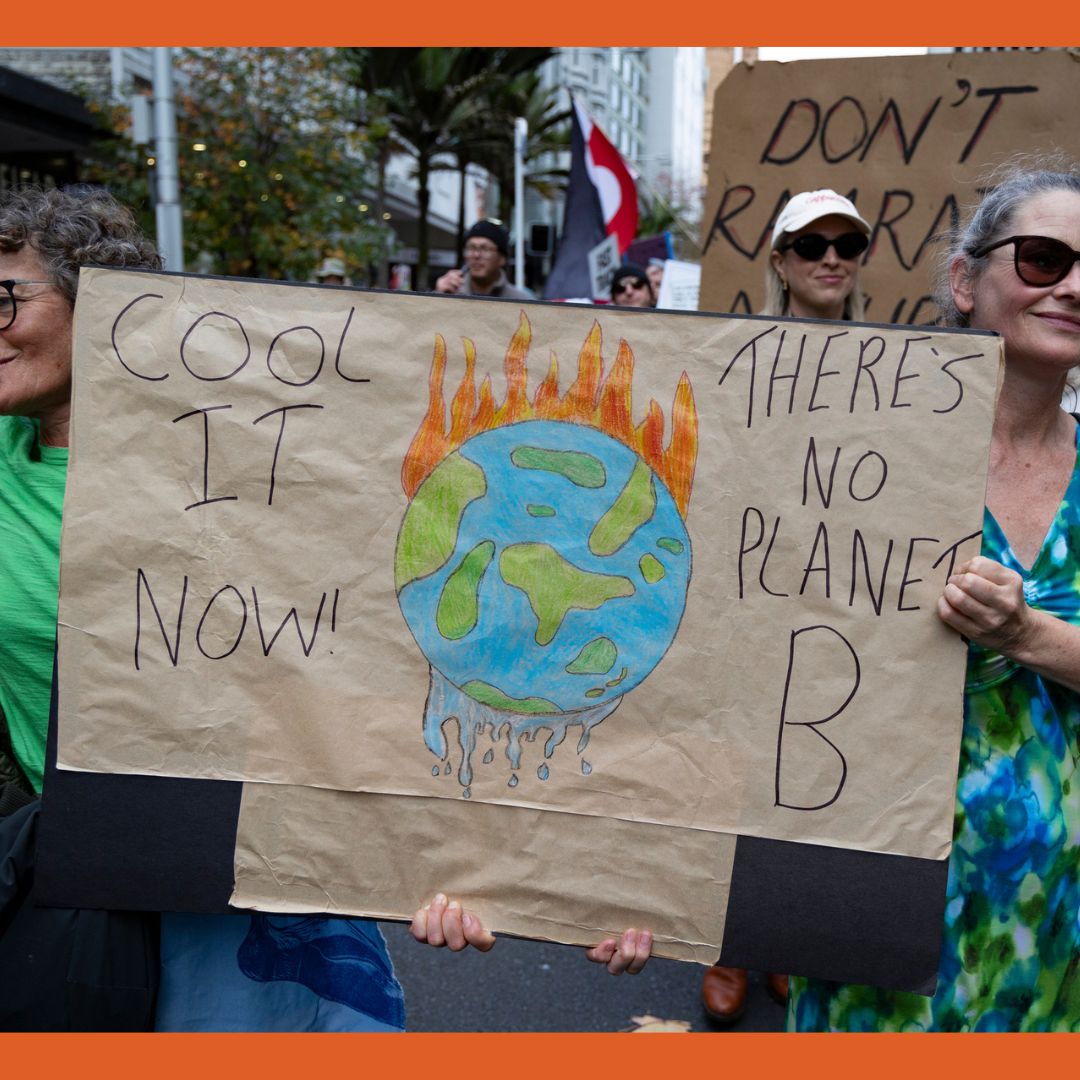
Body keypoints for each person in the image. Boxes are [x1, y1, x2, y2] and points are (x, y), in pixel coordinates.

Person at [0, 186, 645, 1030]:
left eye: (6, 299)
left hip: (264, 902)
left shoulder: (256, 465)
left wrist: (506, 866)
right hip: (76, 894)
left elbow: (394, 656)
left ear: (100, 304)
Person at [788, 163, 1080, 1031]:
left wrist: (1027, 633)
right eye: (1041, 258)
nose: (1072, 286)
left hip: (1056, 922)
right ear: (965, 279)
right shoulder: (856, 455)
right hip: (875, 898)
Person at [701, 187, 872, 1026]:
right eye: (812, 245)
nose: (831, 258)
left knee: (818, 776)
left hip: (850, 603)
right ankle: (730, 941)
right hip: (751, 597)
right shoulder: (738, 358)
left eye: (848, 244)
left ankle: (791, 941)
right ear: (780, 259)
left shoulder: (901, 369)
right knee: (740, 774)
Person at [434, 220, 532, 300]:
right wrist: (437, 296)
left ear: (502, 258)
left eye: (485, 248)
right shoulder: (451, 292)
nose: (476, 255)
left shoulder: (520, 301)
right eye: (471, 248)